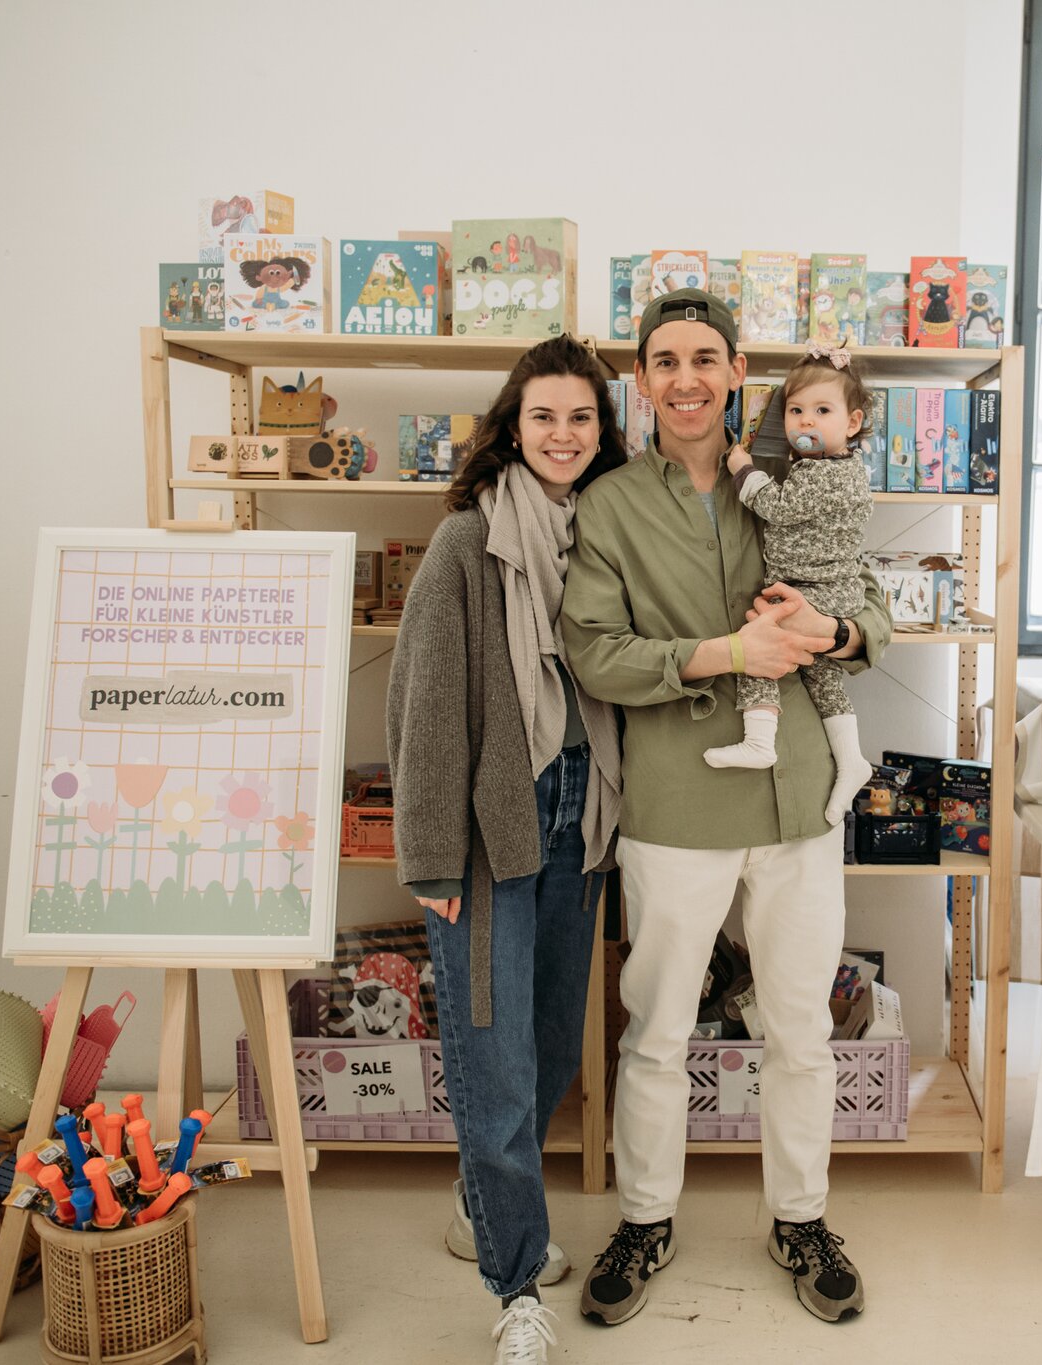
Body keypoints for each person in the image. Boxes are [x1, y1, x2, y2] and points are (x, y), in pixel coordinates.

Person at [561, 288, 892, 1327]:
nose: (686, 378)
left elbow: (870, 607)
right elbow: (594, 654)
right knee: (655, 1030)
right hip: (673, 807)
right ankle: (645, 1218)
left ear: (736, 371)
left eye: (705, 357)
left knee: (798, 1029)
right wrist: (726, 655)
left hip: (799, 803)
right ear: (642, 378)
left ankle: (798, 1218)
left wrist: (830, 633)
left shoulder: (806, 478)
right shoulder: (608, 505)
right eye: (665, 360)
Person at [386, 335, 627, 1365]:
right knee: (495, 1059)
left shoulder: (613, 533)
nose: (562, 436)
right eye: (543, 418)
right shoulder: (467, 542)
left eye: (580, 418)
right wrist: (430, 858)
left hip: (583, 816)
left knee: (553, 1049)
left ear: (601, 431)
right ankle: (515, 1283)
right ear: (511, 428)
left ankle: (481, 1199)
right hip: (491, 825)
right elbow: (423, 705)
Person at [705, 343, 876, 823]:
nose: (805, 422)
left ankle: (759, 739)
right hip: (827, 587)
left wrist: (742, 468)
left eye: (822, 411)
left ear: (852, 422)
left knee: (758, 644)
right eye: (796, 411)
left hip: (817, 589)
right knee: (822, 676)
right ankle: (852, 760)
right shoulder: (826, 467)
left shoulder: (826, 475)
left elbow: (777, 507)